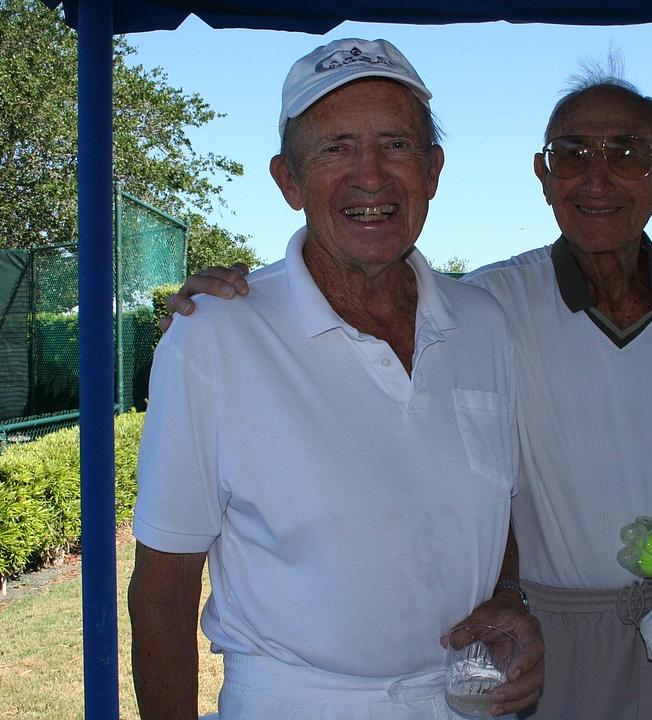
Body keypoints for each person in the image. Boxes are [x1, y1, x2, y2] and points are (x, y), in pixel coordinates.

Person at [169, 70, 652, 719]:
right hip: (551, 638)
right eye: (573, 154)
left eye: (626, 154)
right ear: (542, 174)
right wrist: (217, 309)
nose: (596, 178)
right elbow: (360, 314)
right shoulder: (488, 305)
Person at [128, 37, 543, 720]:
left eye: (397, 146)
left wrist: (508, 597)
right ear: (288, 180)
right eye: (335, 149)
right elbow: (163, 590)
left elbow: (495, 516)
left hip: (469, 702)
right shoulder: (215, 335)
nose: (371, 176)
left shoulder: (485, 323)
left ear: (433, 170)